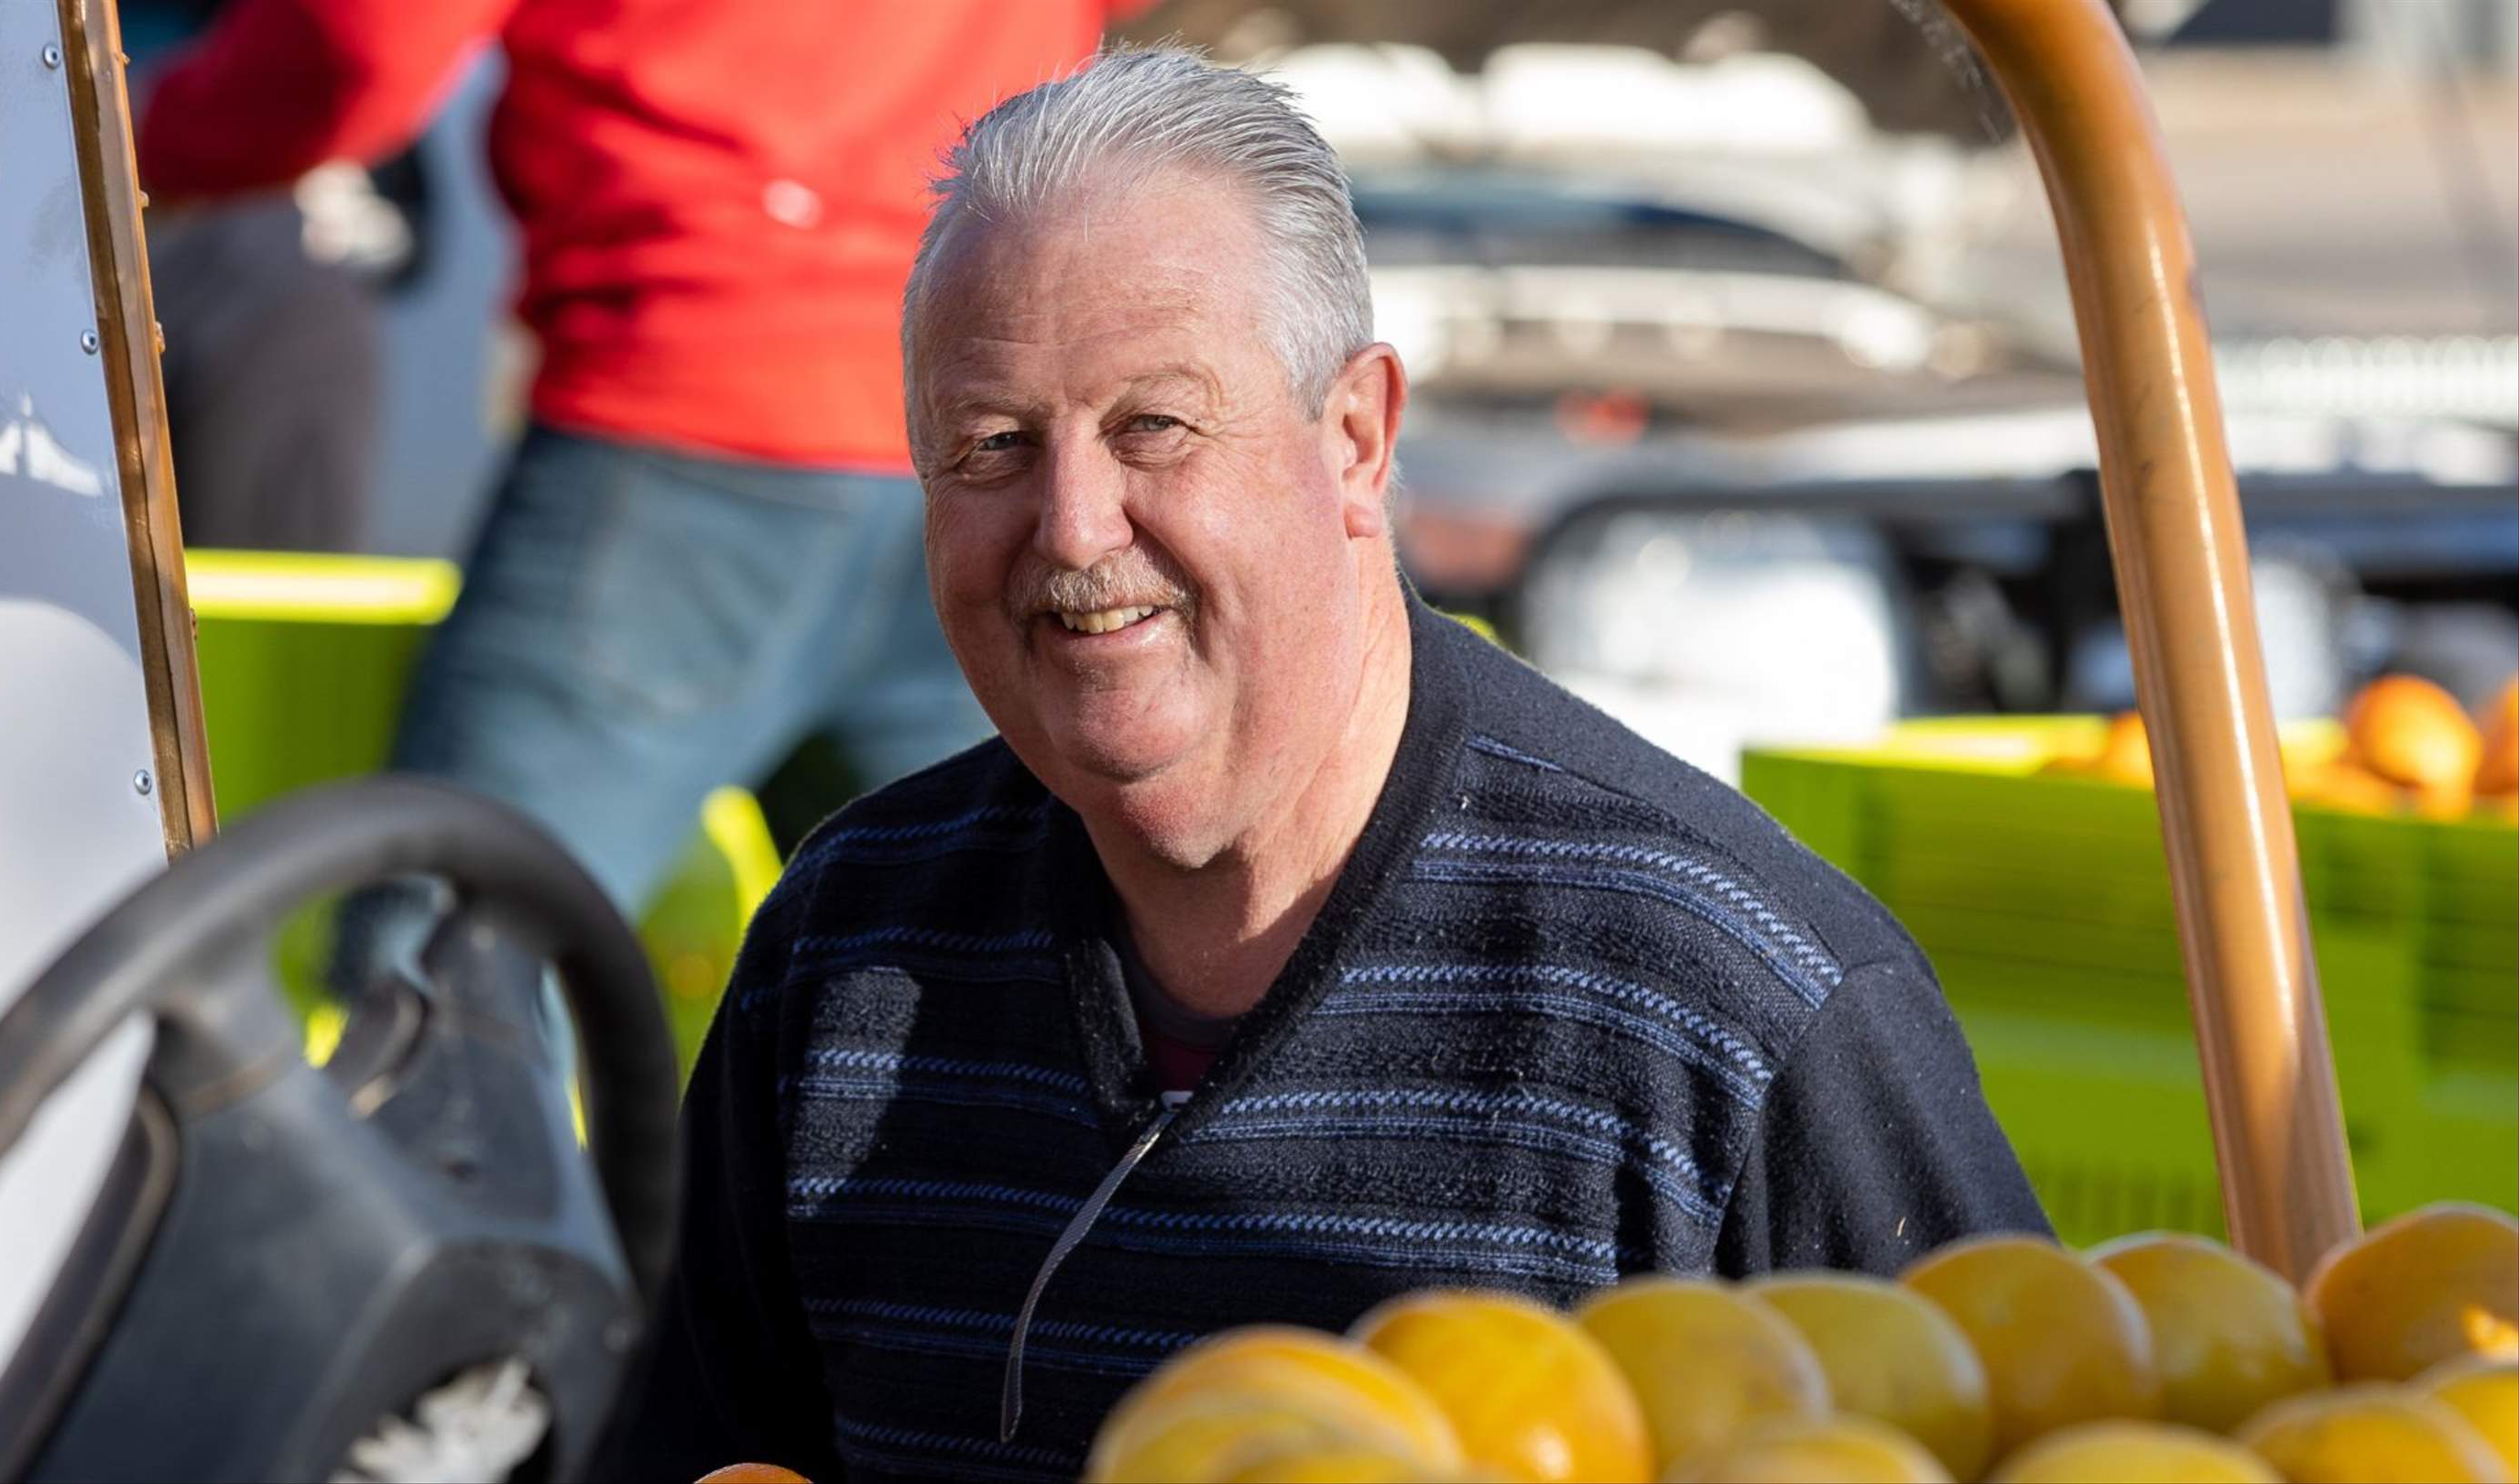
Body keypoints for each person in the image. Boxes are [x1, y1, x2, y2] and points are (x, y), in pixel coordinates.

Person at [604, 46, 2048, 1484]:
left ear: (1356, 438)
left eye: (1152, 426)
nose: (1075, 528)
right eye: (990, 447)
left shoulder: (1728, 1003)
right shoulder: (850, 945)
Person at [135, 0, 1124, 920]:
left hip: (696, 407)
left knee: (460, 971)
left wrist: (122, 147)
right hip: (978, 420)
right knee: (987, 986)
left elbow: (356, 48)